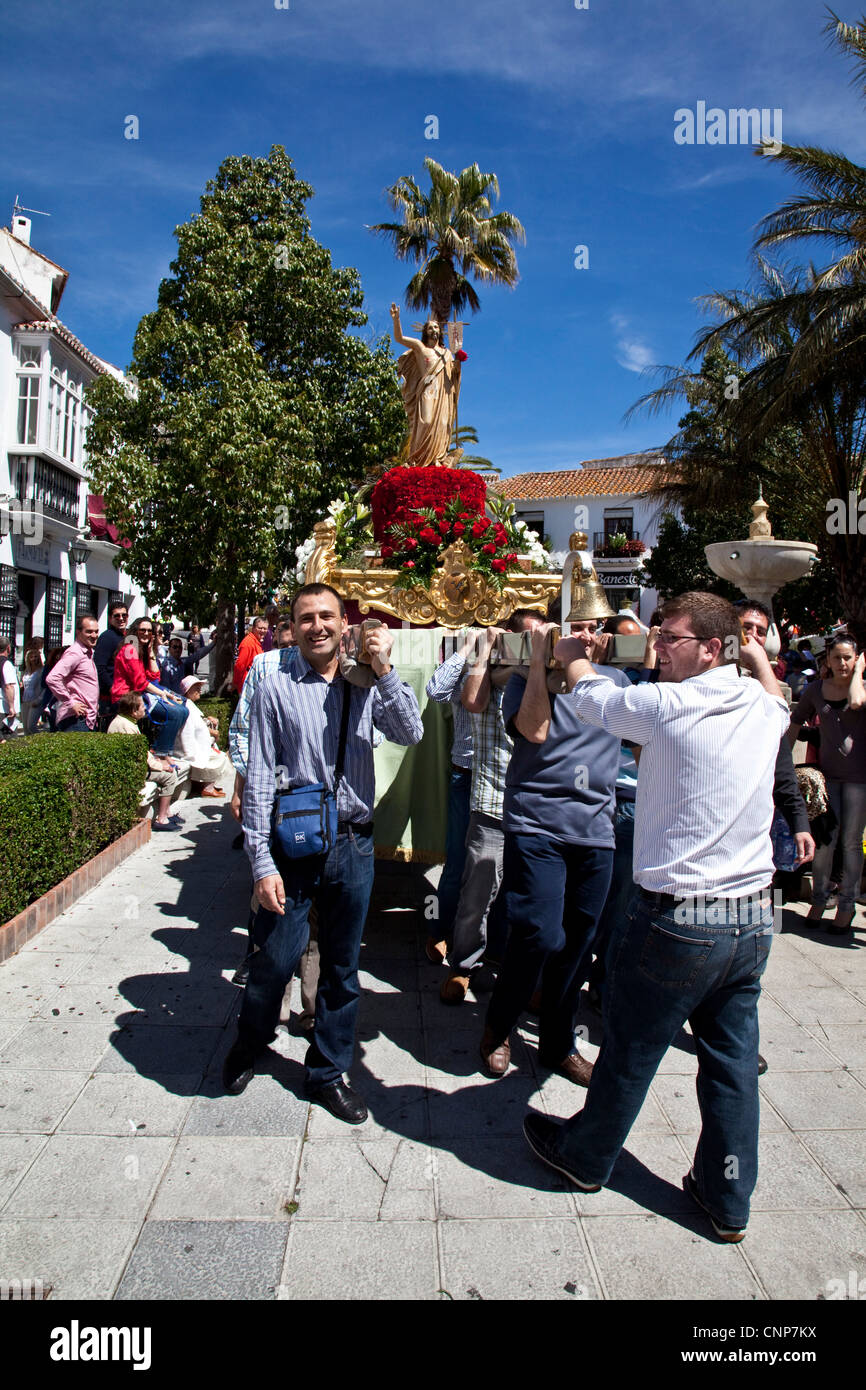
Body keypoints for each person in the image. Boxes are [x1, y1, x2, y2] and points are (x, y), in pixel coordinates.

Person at [521, 592, 788, 1244]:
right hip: (752, 922)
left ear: (712, 649)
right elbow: (777, 695)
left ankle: (585, 1157)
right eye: (660, 635)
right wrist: (757, 656)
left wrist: (569, 656)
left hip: (680, 922)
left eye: (672, 638)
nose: (658, 648)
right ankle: (728, 1196)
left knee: (631, 1048)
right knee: (730, 1060)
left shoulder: (668, 706)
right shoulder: (763, 706)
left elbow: (591, 701)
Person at [222, 582, 423, 1123]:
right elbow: (261, 773)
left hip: (354, 843)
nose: (318, 626)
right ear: (294, 623)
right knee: (275, 959)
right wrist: (261, 863)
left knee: (342, 967)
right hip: (295, 844)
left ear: (345, 624)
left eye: (327, 617)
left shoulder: (364, 680)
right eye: (306, 617)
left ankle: (327, 1071)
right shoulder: (275, 682)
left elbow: (411, 730)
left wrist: (383, 670)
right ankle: (251, 1040)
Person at [479, 620, 629, 1085]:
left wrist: (614, 657)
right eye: (573, 627)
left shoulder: (618, 684)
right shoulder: (525, 679)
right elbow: (534, 729)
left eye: (591, 627)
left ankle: (558, 1043)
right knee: (538, 936)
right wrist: (544, 661)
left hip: (596, 831)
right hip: (536, 823)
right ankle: (498, 1030)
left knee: (579, 943)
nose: (583, 635)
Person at [440, 611, 546, 1003]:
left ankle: (510, 966)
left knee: (528, 894)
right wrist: (483, 649)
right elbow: (471, 700)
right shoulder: (487, 669)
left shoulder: (549, 676)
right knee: (477, 892)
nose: (535, 645)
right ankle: (464, 964)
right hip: (492, 798)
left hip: (537, 803)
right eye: (527, 638)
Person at [789, 634, 866, 933]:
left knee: (851, 843)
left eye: (849, 657)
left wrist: (858, 672)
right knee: (824, 843)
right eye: (837, 657)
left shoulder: (861, 688)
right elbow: (796, 722)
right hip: (828, 778)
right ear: (828, 660)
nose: (843, 663)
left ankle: (846, 906)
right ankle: (819, 899)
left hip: (860, 780)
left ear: (856, 658)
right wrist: (781, 760)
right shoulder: (815, 690)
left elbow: (857, 701)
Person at [424, 628, 478, 966]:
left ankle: (483, 941)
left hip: (507, 776)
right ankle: (439, 930)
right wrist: (469, 648)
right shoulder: (463, 669)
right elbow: (435, 690)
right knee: (457, 859)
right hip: (466, 771)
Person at [390, 303, 461, 467]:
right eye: (430, 327)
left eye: (436, 327)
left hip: (443, 394)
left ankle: (438, 458)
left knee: (443, 424)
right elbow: (399, 338)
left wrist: (457, 367)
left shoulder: (447, 353)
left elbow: (452, 376)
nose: (434, 330)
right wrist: (396, 320)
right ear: (425, 331)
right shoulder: (420, 347)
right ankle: (419, 460)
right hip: (428, 390)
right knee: (426, 422)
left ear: (440, 331)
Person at [112, 617, 188, 756]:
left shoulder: (141, 649)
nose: (146, 633)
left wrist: (151, 650)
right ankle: (161, 752)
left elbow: (154, 676)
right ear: (135, 631)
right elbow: (140, 681)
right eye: (143, 630)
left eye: (149, 631)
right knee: (175, 713)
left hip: (140, 694)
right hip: (127, 697)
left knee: (184, 710)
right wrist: (162, 694)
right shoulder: (130, 649)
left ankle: (167, 750)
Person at [108, 691, 183, 831]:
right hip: (134, 770)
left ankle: (167, 812)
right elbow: (141, 754)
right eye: (142, 705)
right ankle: (162, 819)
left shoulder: (127, 722)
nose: (145, 708)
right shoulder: (126, 726)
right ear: (133, 711)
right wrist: (161, 766)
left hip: (138, 766)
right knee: (170, 777)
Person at [175, 675, 231, 796]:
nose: (200, 690)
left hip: (198, 745)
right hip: (189, 750)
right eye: (196, 688)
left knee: (219, 755)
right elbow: (190, 730)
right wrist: (212, 732)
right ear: (188, 690)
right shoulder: (186, 707)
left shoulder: (189, 705)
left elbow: (198, 724)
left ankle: (205, 785)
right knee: (221, 758)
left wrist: (208, 720)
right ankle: (207, 788)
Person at [45, 614, 100, 731]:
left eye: (96, 631)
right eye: (89, 632)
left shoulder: (88, 653)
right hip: (76, 720)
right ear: (78, 632)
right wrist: (71, 703)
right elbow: (52, 678)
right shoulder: (75, 653)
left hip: (87, 718)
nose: (94, 635)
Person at [94, 601, 128, 720]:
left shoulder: (126, 637)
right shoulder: (106, 638)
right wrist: (112, 688)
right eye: (117, 615)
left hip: (124, 695)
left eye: (124, 615)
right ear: (110, 618)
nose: (121, 618)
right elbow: (100, 668)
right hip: (110, 699)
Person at [233, 616, 268, 693]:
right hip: (247, 686)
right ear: (253, 628)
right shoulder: (248, 643)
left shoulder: (256, 642)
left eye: (265, 628)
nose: (262, 631)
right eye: (260, 628)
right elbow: (240, 665)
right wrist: (235, 684)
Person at [20, 638, 45, 733]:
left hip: (35, 700)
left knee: (31, 727)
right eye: (31, 657)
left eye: (36, 657)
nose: (34, 659)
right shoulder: (26, 671)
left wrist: (39, 700)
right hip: (25, 700)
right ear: (28, 659)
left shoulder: (41, 671)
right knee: (26, 728)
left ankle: (42, 742)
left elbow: (44, 687)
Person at [0, 637, 22, 737]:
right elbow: (8, 686)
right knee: (10, 741)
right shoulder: (6, 664)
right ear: (8, 648)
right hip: (5, 709)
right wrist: (12, 707)